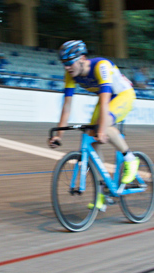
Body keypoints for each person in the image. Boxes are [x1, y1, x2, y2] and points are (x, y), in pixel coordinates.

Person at [47, 40, 139, 211]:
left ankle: (131, 159)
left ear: (82, 58)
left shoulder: (101, 66)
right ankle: (102, 192)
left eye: (69, 62)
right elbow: (67, 105)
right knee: (92, 139)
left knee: (103, 127)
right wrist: (59, 134)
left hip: (123, 96)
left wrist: (102, 129)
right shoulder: (70, 73)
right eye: (64, 64)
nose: (67, 67)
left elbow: (104, 101)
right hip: (107, 99)